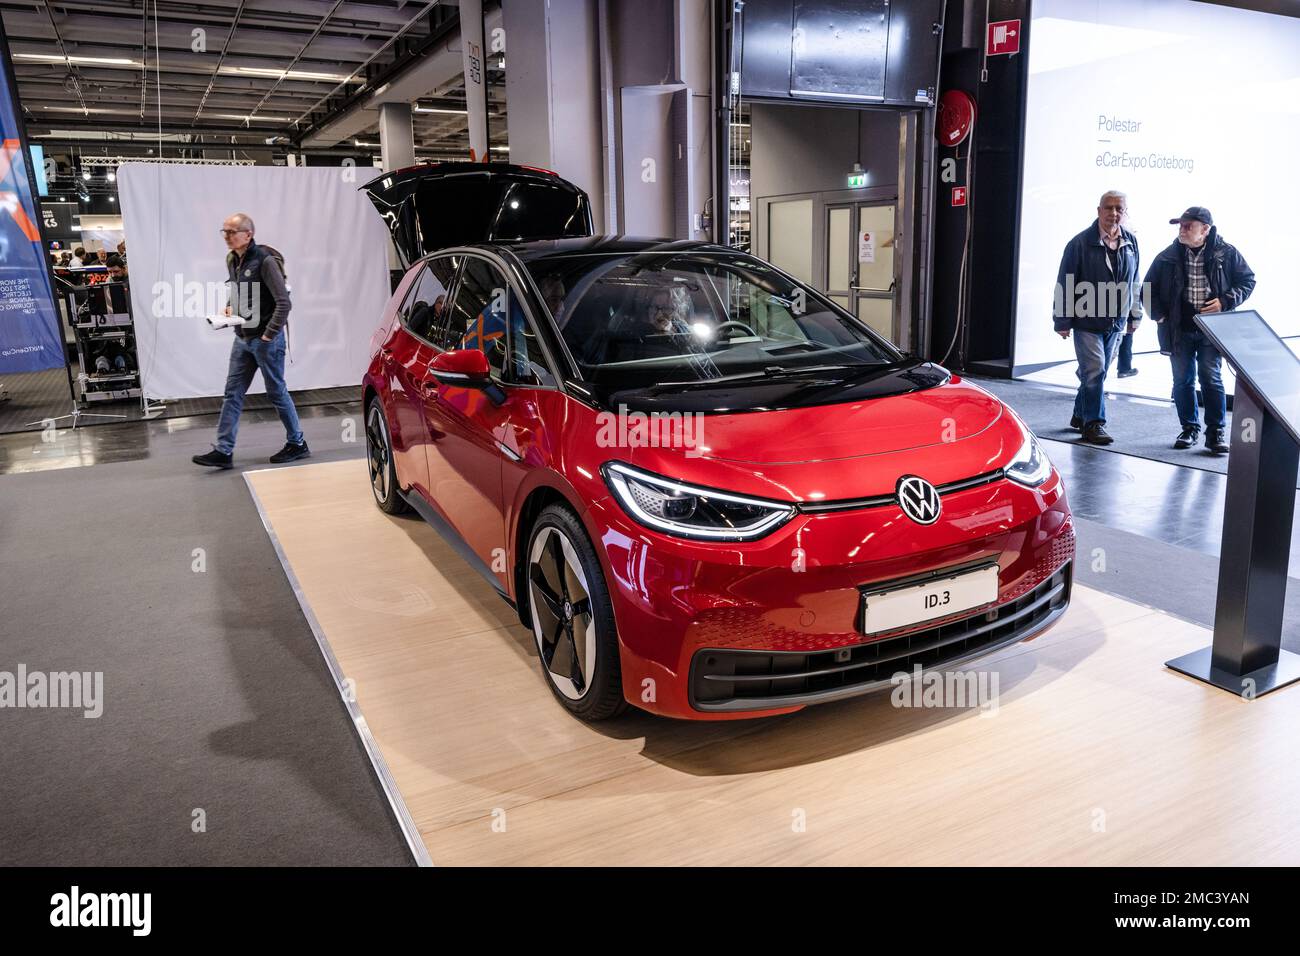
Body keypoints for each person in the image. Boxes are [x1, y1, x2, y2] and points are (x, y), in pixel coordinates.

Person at [192, 212, 309, 469]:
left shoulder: (265, 261)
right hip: (242, 338)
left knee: (276, 392)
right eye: (224, 231)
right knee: (232, 393)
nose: (227, 237)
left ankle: (298, 444)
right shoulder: (231, 258)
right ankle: (224, 451)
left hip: (265, 340)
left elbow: (283, 303)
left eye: (232, 232)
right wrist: (228, 307)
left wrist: (269, 335)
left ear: (249, 234)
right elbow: (237, 290)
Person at [1143, 207, 1255, 454]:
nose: (1181, 230)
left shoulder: (1226, 253)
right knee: (1182, 381)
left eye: (1187, 226)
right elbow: (1146, 289)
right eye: (1180, 225)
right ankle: (1189, 429)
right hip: (1179, 329)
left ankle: (1215, 433)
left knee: (1210, 377)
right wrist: (1159, 315)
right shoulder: (1168, 256)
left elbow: (1248, 281)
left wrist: (1225, 301)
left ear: (1205, 230)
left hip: (1212, 329)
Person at [1052, 190, 1143, 445]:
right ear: (1099, 210)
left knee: (1097, 374)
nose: (1113, 213)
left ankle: (1080, 414)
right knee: (1094, 370)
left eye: (1119, 209)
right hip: (1086, 320)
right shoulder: (1079, 243)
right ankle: (1094, 424)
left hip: (1116, 321)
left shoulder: (1131, 243)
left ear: (1125, 213)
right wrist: (1062, 320)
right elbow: (1065, 282)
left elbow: (1135, 281)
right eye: (1108, 208)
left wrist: (1135, 315)